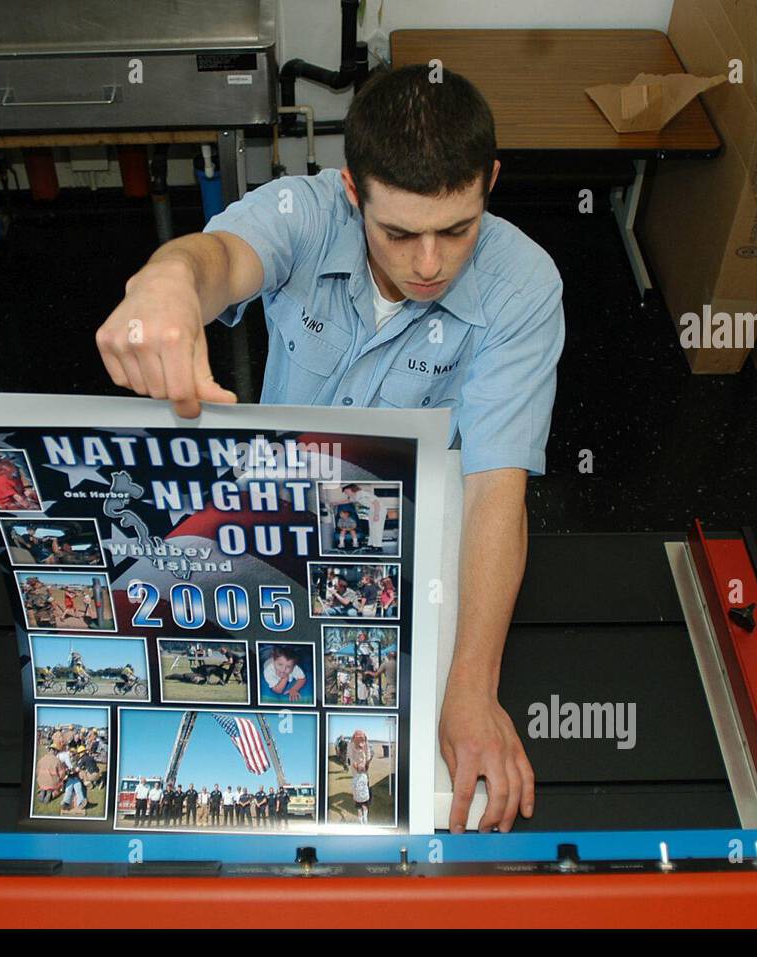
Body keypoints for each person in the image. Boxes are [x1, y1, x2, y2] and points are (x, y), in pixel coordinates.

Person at [94, 65, 555, 834]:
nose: (430, 263)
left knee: (408, 771)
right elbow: (218, 260)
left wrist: (474, 691)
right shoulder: (302, 211)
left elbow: (496, 489)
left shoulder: (525, 285)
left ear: (491, 184)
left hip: (406, 525)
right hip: (272, 501)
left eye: (457, 230)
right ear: (352, 192)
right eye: (399, 233)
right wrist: (167, 281)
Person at [348, 730, 375, 825]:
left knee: (361, 793)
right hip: (358, 771)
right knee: (361, 793)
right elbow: (351, 757)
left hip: (361, 771)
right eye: (359, 739)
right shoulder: (352, 745)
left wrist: (365, 764)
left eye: (362, 739)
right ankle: (363, 817)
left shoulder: (364, 744)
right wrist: (358, 766)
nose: (360, 741)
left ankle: (363, 818)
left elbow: (368, 754)